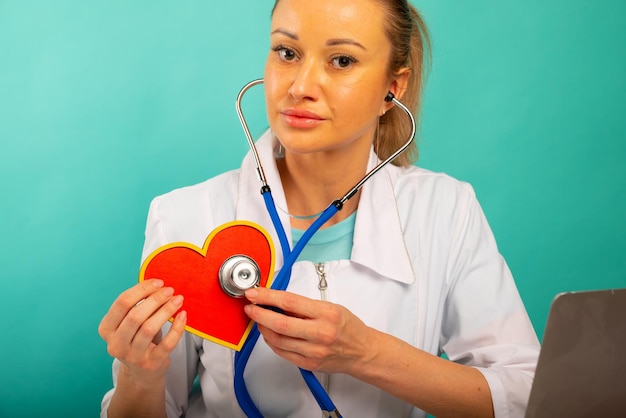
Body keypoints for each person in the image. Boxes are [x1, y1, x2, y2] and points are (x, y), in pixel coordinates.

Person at [98, 0, 540, 417]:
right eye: (287, 52)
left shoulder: (445, 210)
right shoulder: (186, 218)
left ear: (393, 86)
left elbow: (524, 397)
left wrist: (366, 353)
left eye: (342, 61)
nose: (301, 86)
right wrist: (140, 375)